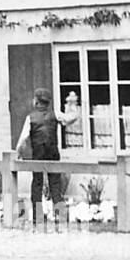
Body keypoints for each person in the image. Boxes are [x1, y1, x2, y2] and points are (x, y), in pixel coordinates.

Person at [15, 88, 81, 225]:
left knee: (37, 184)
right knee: (55, 184)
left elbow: (23, 140)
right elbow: (70, 119)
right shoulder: (55, 114)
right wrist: (73, 107)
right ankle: (60, 216)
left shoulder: (30, 118)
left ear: (36, 101)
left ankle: (38, 217)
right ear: (48, 102)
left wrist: (18, 154)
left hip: (38, 155)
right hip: (52, 154)